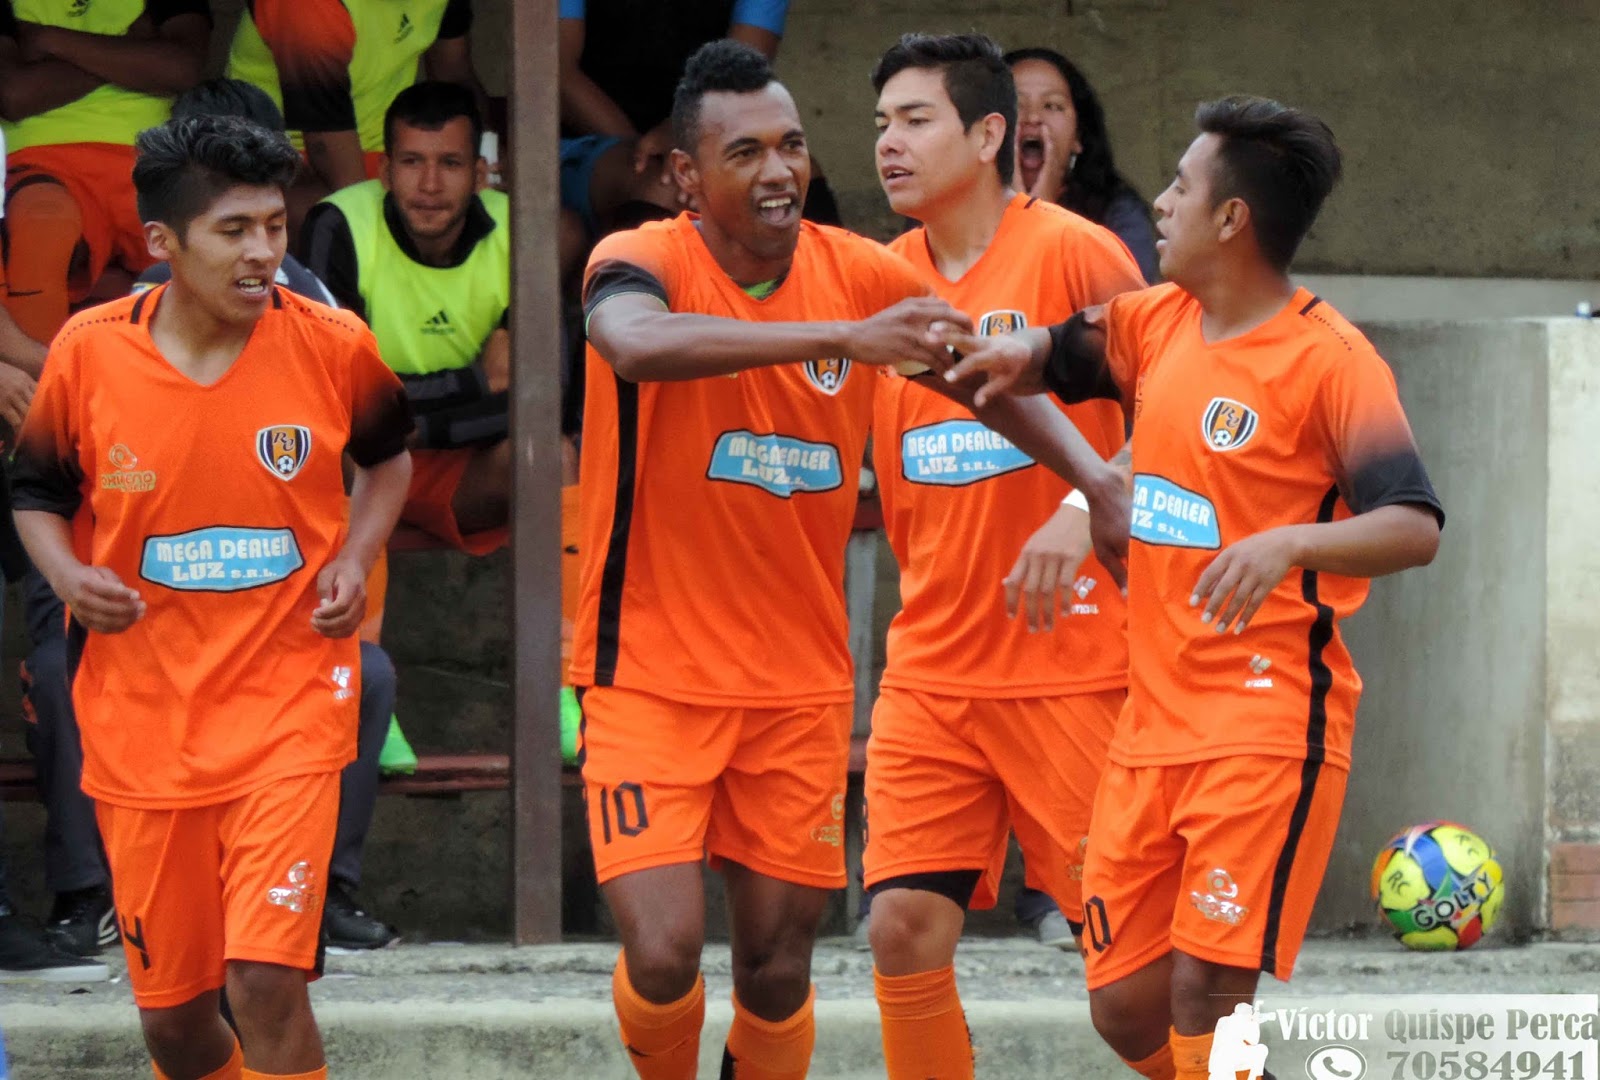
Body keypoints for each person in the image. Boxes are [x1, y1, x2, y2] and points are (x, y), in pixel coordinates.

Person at [570, 39, 1127, 1080]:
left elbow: (977, 381)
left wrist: (1093, 484)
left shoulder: (869, 270)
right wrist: (839, 338)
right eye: (746, 153)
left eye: (792, 145)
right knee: (664, 950)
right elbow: (638, 346)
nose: (780, 170)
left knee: (780, 968)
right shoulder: (636, 257)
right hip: (646, 674)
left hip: (801, 689)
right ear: (687, 176)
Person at [939, 95, 1443, 1080]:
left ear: (1231, 220)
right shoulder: (1156, 321)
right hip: (1151, 728)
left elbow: (1414, 524)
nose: (1158, 204)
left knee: (1205, 994)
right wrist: (1013, 353)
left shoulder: (1331, 361)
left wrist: (1287, 545)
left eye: (1179, 185)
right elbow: (1062, 348)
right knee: (1124, 1007)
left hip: (1266, 725)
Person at [11, 114, 412, 1079]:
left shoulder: (331, 342)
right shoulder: (89, 352)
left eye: (274, 225)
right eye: (235, 230)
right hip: (142, 731)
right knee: (178, 1028)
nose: (265, 251)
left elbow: (389, 461)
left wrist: (355, 558)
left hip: (291, 715)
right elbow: (34, 495)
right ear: (163, 244)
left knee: (266, 983)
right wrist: (70, 577)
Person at [858, 33, 1146, 1078]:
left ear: (989, 135)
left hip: (1072, 668)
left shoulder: (1075, 253)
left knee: (1130, 979)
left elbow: (1185, 410)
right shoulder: (876, 282)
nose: (889, 142)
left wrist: (1081, 504)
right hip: (930, 668)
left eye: (915, 118)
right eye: (881, 121)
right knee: (900, 930)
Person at [303, 80, 510, 557]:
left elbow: (544, 396)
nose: (431, 185)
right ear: (386, 171)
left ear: (480, 174)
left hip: (465, 468)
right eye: (413, 162)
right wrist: (477, 382)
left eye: (451, 164)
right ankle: (349, 629)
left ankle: (566, 634)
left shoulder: (517, 226)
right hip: (364, 460)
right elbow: (332, 394)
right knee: (331, 441)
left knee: (553, 455)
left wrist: (412, 425)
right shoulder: (339, 224)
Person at [0, 0, 210, 349]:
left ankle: (197, 390)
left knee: (197, 233)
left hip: (152, 161)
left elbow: (182, 68)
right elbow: (14, 94)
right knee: (41, 221)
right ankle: (44, 390)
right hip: (43, 163)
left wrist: (51, 40)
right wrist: (132, 49)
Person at [226, 0, 490, 241]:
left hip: (391, 153)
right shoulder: (307, 5)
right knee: (321, 216)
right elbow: (327, 148)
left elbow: (455, 76)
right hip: (281, 155)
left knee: (500, 200)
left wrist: (488, 155)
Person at [1005, 47, 1158, 285]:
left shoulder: (1118, 212)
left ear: (1078, 135)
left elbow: (1129, 305)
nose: (1032, 117)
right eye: (1015, 104)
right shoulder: (955, 209)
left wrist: (1041, 215)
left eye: (1052, 106)